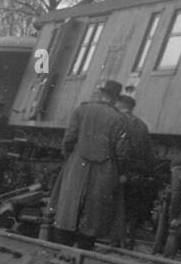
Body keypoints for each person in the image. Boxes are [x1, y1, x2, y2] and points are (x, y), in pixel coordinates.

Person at [50, 79, 128, 250]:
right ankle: (85, 247)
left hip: (77, 164)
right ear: (115, 99)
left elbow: (68, 140)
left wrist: (70, 159)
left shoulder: (81, 110)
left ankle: (62, 244)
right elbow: (121, 151)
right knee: (94, 211)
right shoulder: (120, 119)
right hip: (105, 169)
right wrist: (120, 171)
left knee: (68, 206)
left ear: (101, 94)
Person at [113, 93, 156, 247]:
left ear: (119, 104)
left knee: (115, 204)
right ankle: (126, 238)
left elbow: (120, 150)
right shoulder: (141, 125)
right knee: (131, 208)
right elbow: (149, 153)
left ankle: (114, 239)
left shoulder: (119, 120)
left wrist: (121, 172)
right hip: (137, 174)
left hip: (120, 171)